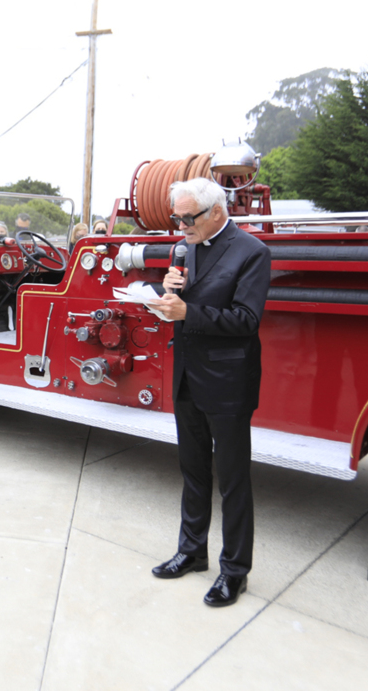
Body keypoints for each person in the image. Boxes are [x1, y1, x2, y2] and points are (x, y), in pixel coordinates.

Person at [147, 177, 271, 608]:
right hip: (187, 376)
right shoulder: (188, 248)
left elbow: (245, 320)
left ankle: (234, 571)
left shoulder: (252, 252)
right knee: (193, 471)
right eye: (176, 218)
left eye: (187, 217)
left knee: (233, 481)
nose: (180, 226)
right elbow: (187, 306)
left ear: (216, 211)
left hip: (227, 382)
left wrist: (188, 311)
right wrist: (168, 297)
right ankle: (191, 551)